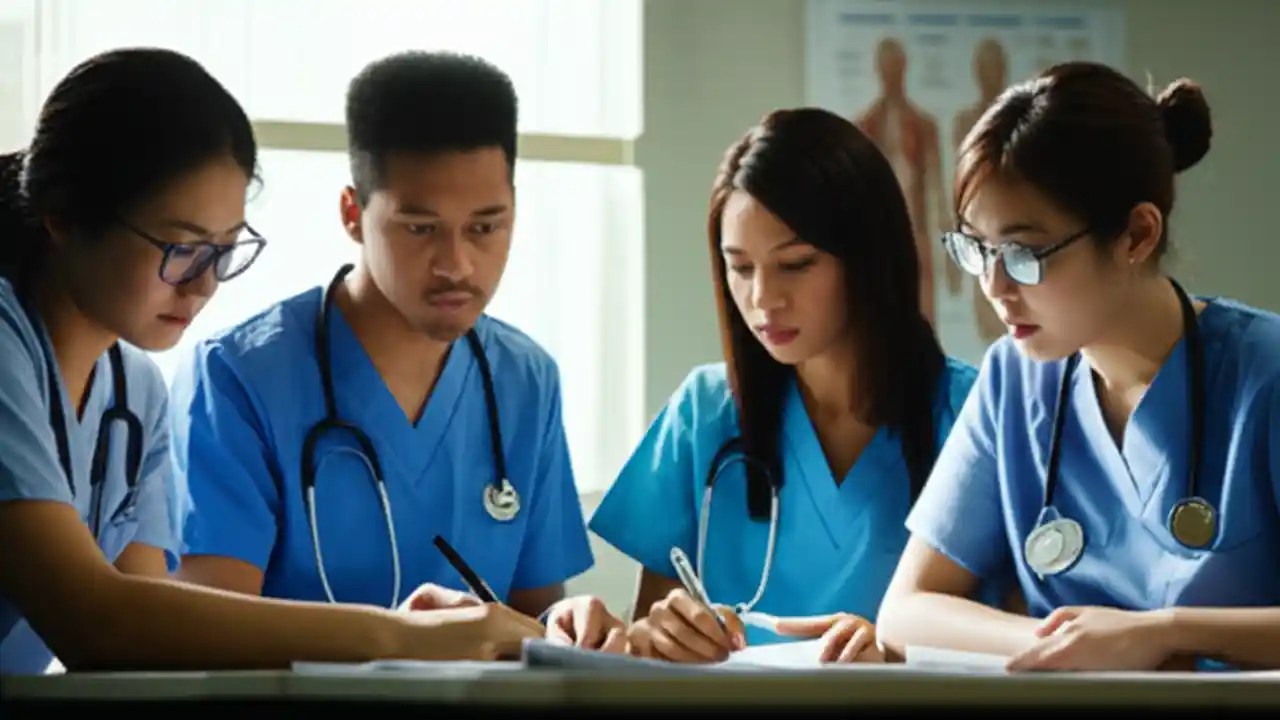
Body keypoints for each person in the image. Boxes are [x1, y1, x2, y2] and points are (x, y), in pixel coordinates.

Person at [0, 47, 549, 676]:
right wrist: (408, 636)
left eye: (225, 250)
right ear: (64, 217)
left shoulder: (134, 392)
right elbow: (97, 622)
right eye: (180, 247)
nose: (203, 284)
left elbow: (152, 638)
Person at [169, 50, 621, 651]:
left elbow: (533, 626)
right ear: (353, 214)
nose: (456, 264)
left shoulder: (525, 380)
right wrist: (400, 637)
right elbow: (207, 637)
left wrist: (571, 625)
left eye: (485, 227)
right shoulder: (238, 376)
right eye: (420, 227)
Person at [878, 61, 1280, 671]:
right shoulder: (1013, 382)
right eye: (977, 249)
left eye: (1023, 253)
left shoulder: (1264, 374)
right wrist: (1070, 645)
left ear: (1137, 235)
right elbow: (906, 611)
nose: (994, 286)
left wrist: (1166, 633)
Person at [589, 108, 984, 665]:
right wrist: (662, 636)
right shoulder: (704, 413)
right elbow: (652, 639)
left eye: (795, 264)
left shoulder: (972, 417)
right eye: (741, 268)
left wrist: (896, 653)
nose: (762, 299)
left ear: (867, 258)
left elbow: (1013, 638)